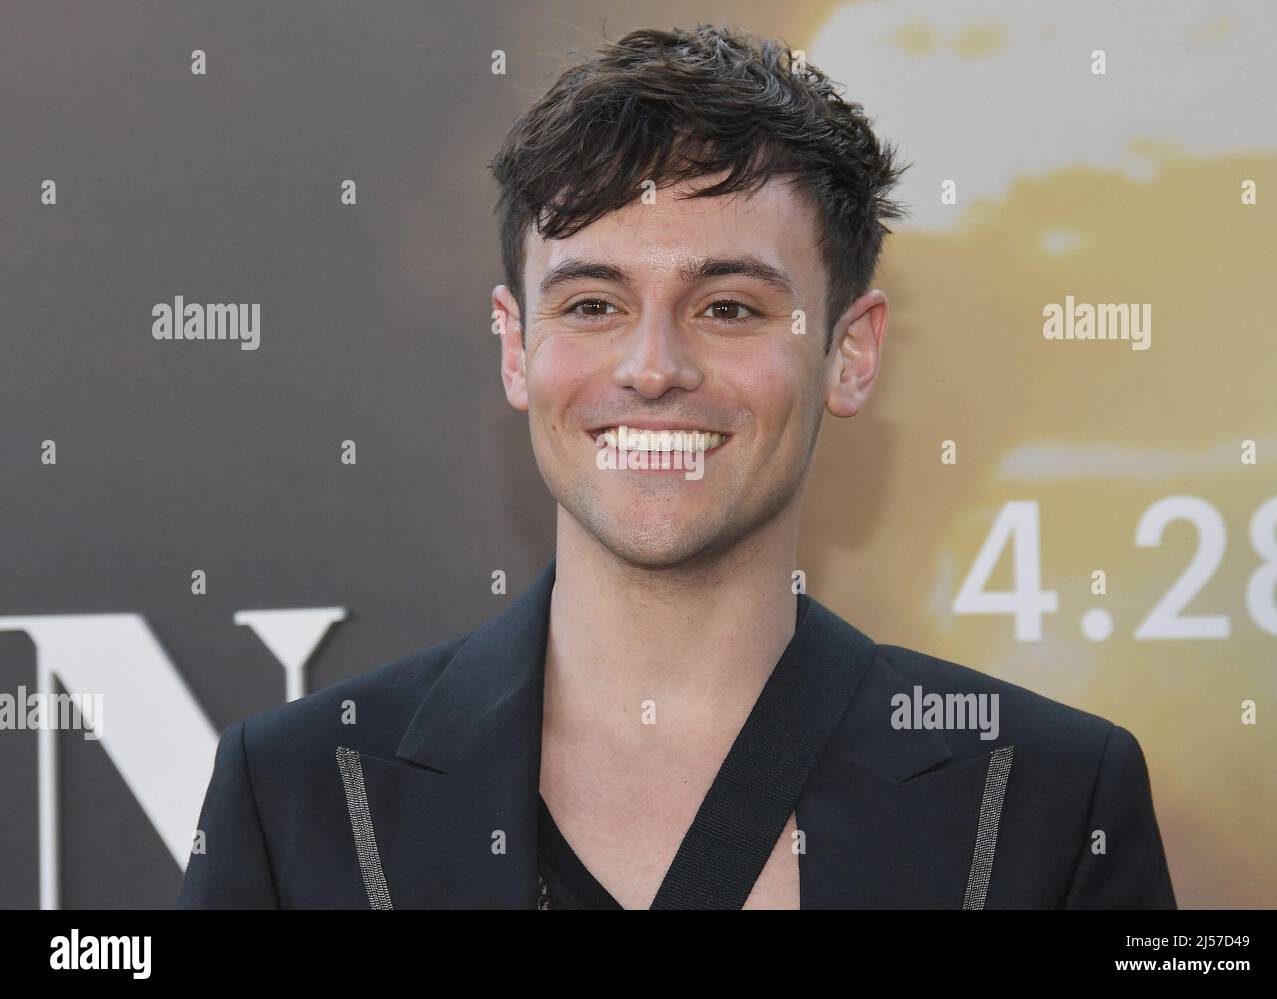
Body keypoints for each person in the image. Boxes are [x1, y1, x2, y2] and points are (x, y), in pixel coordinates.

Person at [178, 23, 1176, 910]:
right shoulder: (298, 792)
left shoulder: (1049, 795)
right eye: (592, 305)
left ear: (849, 352)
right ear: (515, 349)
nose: (653, 367)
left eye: (729, 307)